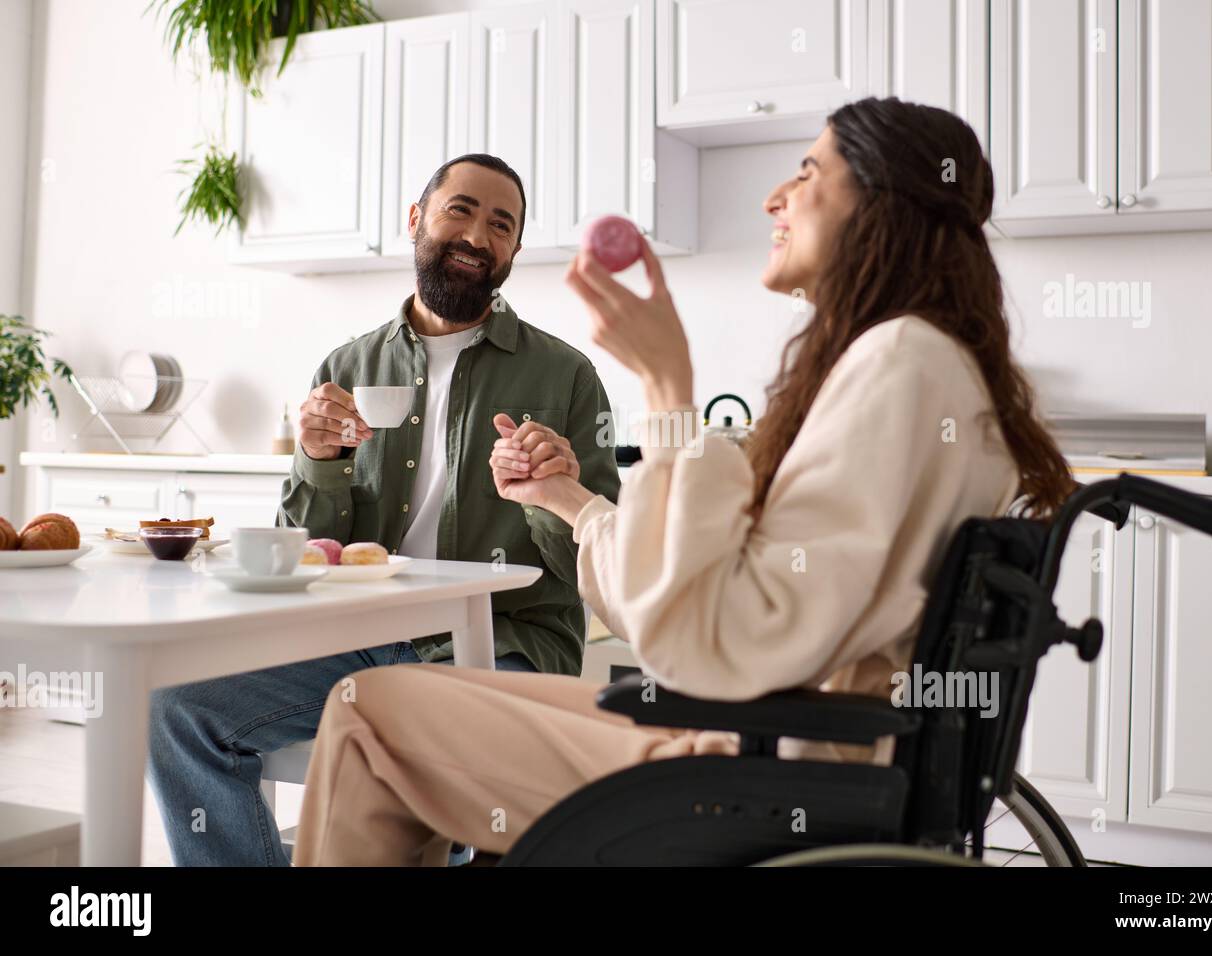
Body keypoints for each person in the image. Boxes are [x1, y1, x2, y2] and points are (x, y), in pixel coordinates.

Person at [290, 98, 1076, 866]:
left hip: (755, 763)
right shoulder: (923, 363)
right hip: (778, 738)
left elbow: (707, 644)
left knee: (368, 717)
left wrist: (669, 389)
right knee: (383, 700)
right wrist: (565, 499)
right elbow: (708, 601)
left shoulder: (900, 364)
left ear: (881, 202)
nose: (775, 197)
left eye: (809, 171)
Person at [146, 153, 620, 866]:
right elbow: (304, 550)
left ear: (515, 252)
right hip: (360, 635)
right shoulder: (345, 368)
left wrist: (554, 494)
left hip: (506, 642)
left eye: (501, 224)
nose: (477, 235)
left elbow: (597, 568)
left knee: (420, 744)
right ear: (416, 220)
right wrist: (318, 460)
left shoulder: (567, 376)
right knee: (178, 707)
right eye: (460, 209)